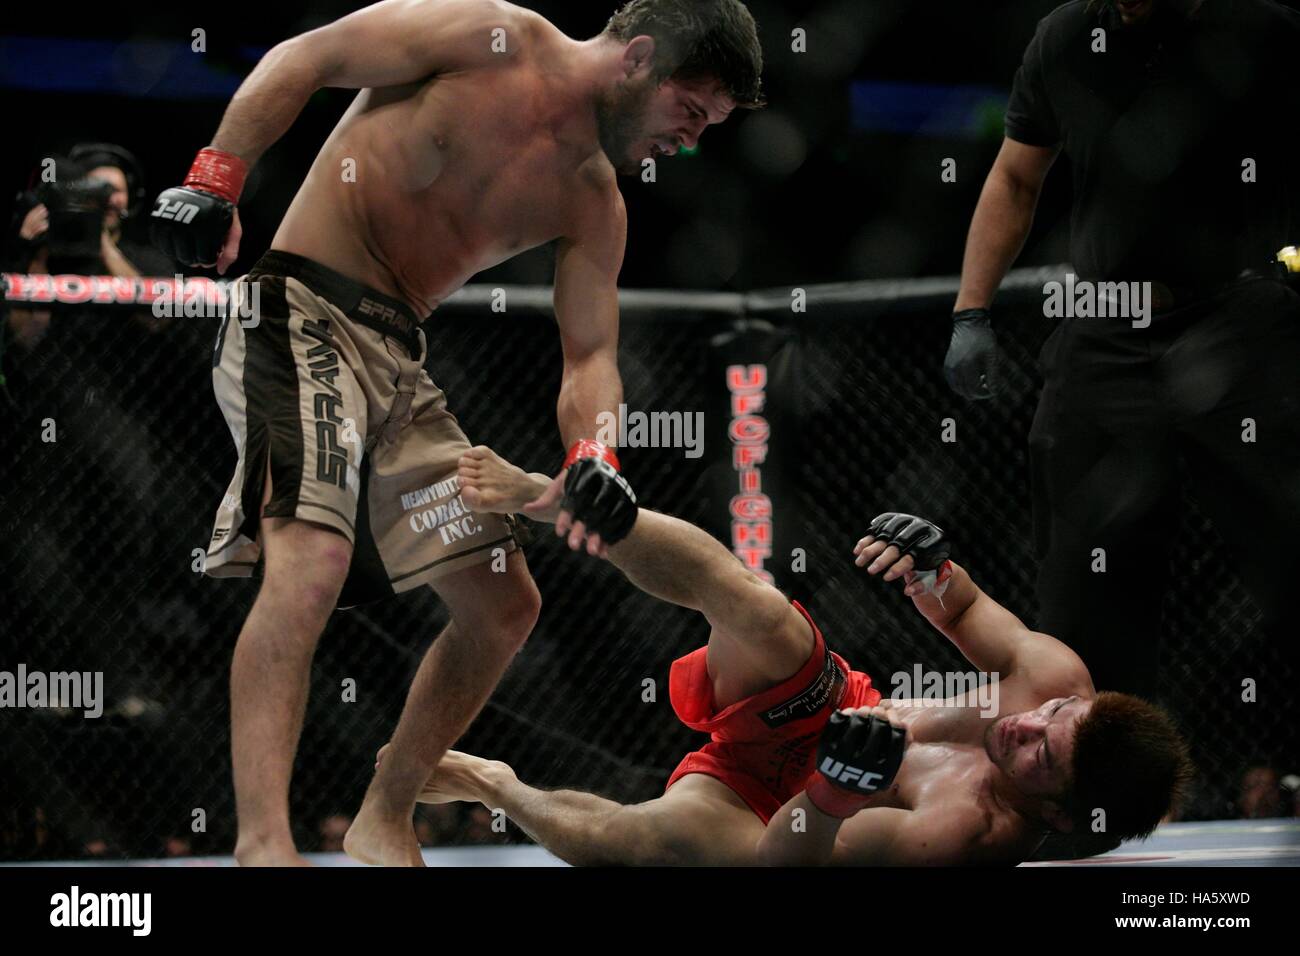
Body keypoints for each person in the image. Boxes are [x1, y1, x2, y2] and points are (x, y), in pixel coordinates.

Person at [148, 0, 763, 866]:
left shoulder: (594, 198)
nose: (689, 143)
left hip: (400, 356)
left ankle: (386, 810)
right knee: (311, 558)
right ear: (639, 59)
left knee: (504, 600)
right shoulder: (489, 37)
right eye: (689, 114)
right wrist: (216, 178)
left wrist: (595, 453)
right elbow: (306, 54)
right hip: (297, 309)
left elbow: (590, 354)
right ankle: (262, 846)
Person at [385, 446, 1191, 865]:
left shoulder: (959, 838)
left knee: (642, 848)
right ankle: (565, 500)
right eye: (1054, 715)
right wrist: (934, 573)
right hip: (834, 708)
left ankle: (494, 784)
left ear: (1055, 812)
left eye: (1043, 756)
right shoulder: (1056, 679)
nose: (1027, 725)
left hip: (781, 816)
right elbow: (972, 609)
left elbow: (789, 867)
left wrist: (836, 795)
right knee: (763, 614)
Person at [943, 0, 1300, 704]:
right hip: (1106, 321)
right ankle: (1094, 783)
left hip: (1241, 312)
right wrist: (971, 309)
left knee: (1282, 548)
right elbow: (1016, 177)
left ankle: (1268, 761)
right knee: (1082, 576)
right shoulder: (1067, 36)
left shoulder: (1260, 32)